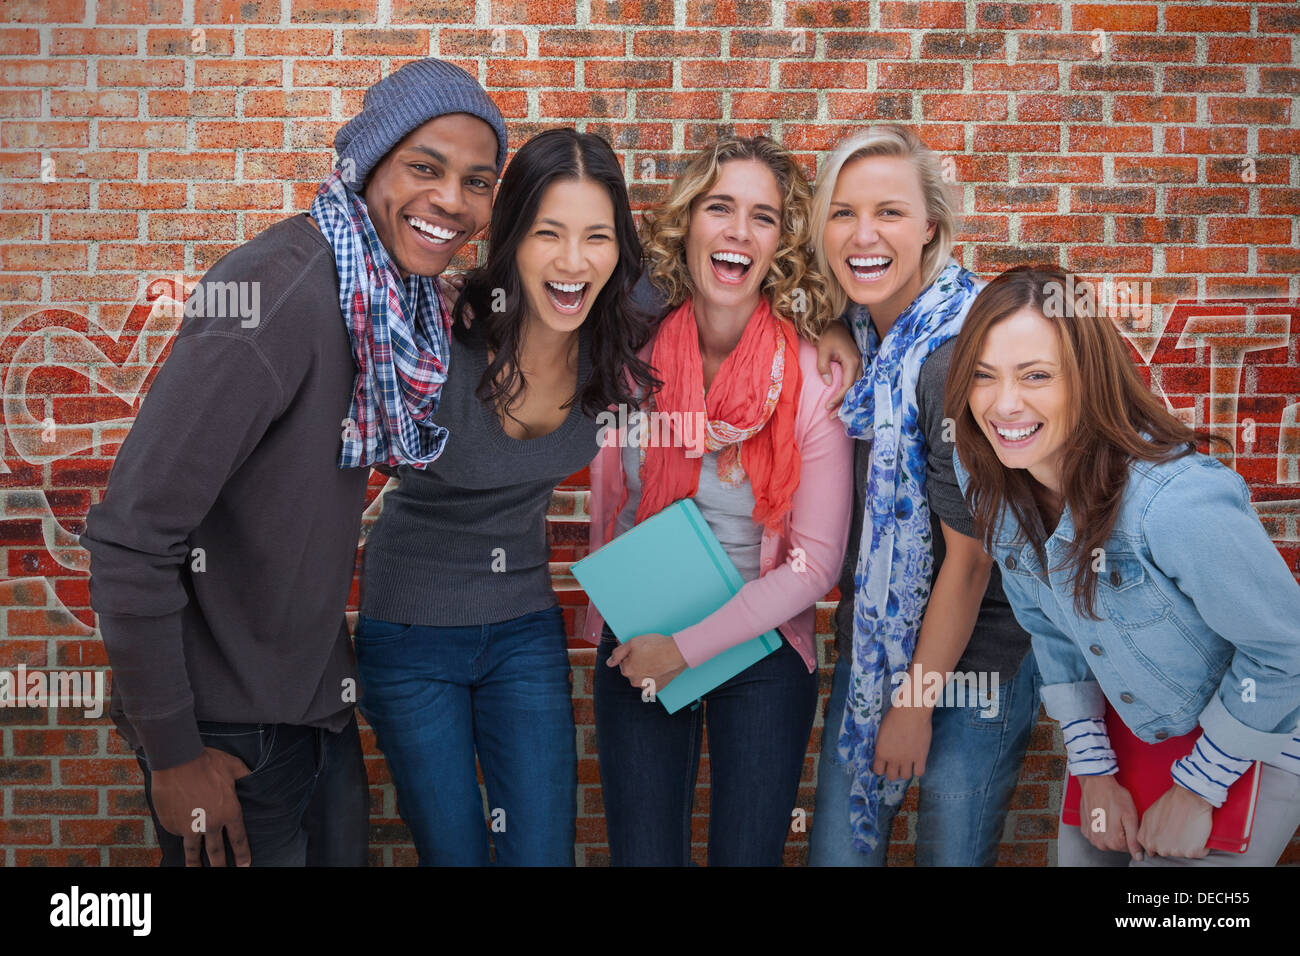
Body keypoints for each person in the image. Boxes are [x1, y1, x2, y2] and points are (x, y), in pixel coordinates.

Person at [81, 58, 509, 867]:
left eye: (477, 181)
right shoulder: (276, 294)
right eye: (425, 167)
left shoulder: (392, 301)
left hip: (311, 710)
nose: (452, 201)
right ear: (366, 165)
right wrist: (174, 753)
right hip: (223, 733)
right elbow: (132, 537)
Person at [354, 127, 659, 866]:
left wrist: (833, 339)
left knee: (542, 851)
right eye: (547, 232)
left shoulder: (622, 326)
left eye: (596, 236)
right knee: (456, 851)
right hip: (409, 629)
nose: (572, 260)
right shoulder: (437, 328)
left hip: (522, 625)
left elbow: (740, 289)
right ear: (511, 237)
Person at [946, 264, 1300, 866]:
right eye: (983, 376)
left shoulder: (1175, 503)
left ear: (1086, 381)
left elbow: (1286, 650)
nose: (1004, 405)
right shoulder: (991, 478)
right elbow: (1051, 627)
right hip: (1130, 734)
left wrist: (1197, 789)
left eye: (1035, 375)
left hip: (1257, 735)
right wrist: (1094, 771)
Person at [583, 135, 853, 866]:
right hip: (644, 628)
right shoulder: (627, 356)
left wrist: (689, 649)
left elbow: (817, 561)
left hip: (764, 649)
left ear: (780, 243)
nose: (738, 230)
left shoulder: (813, 374)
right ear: (689, 223)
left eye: (762, 217)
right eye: (719, 207)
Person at [806, 125, 1041, 866]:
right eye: (842, 212)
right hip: (877, 636)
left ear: (931, 225)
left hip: (986, 646)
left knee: (947, 843)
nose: (863, 234)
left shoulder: (955, 356)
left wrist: (912, 706)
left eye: (890, 213)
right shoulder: (856, 334)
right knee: (838, 853)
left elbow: (970, 562)